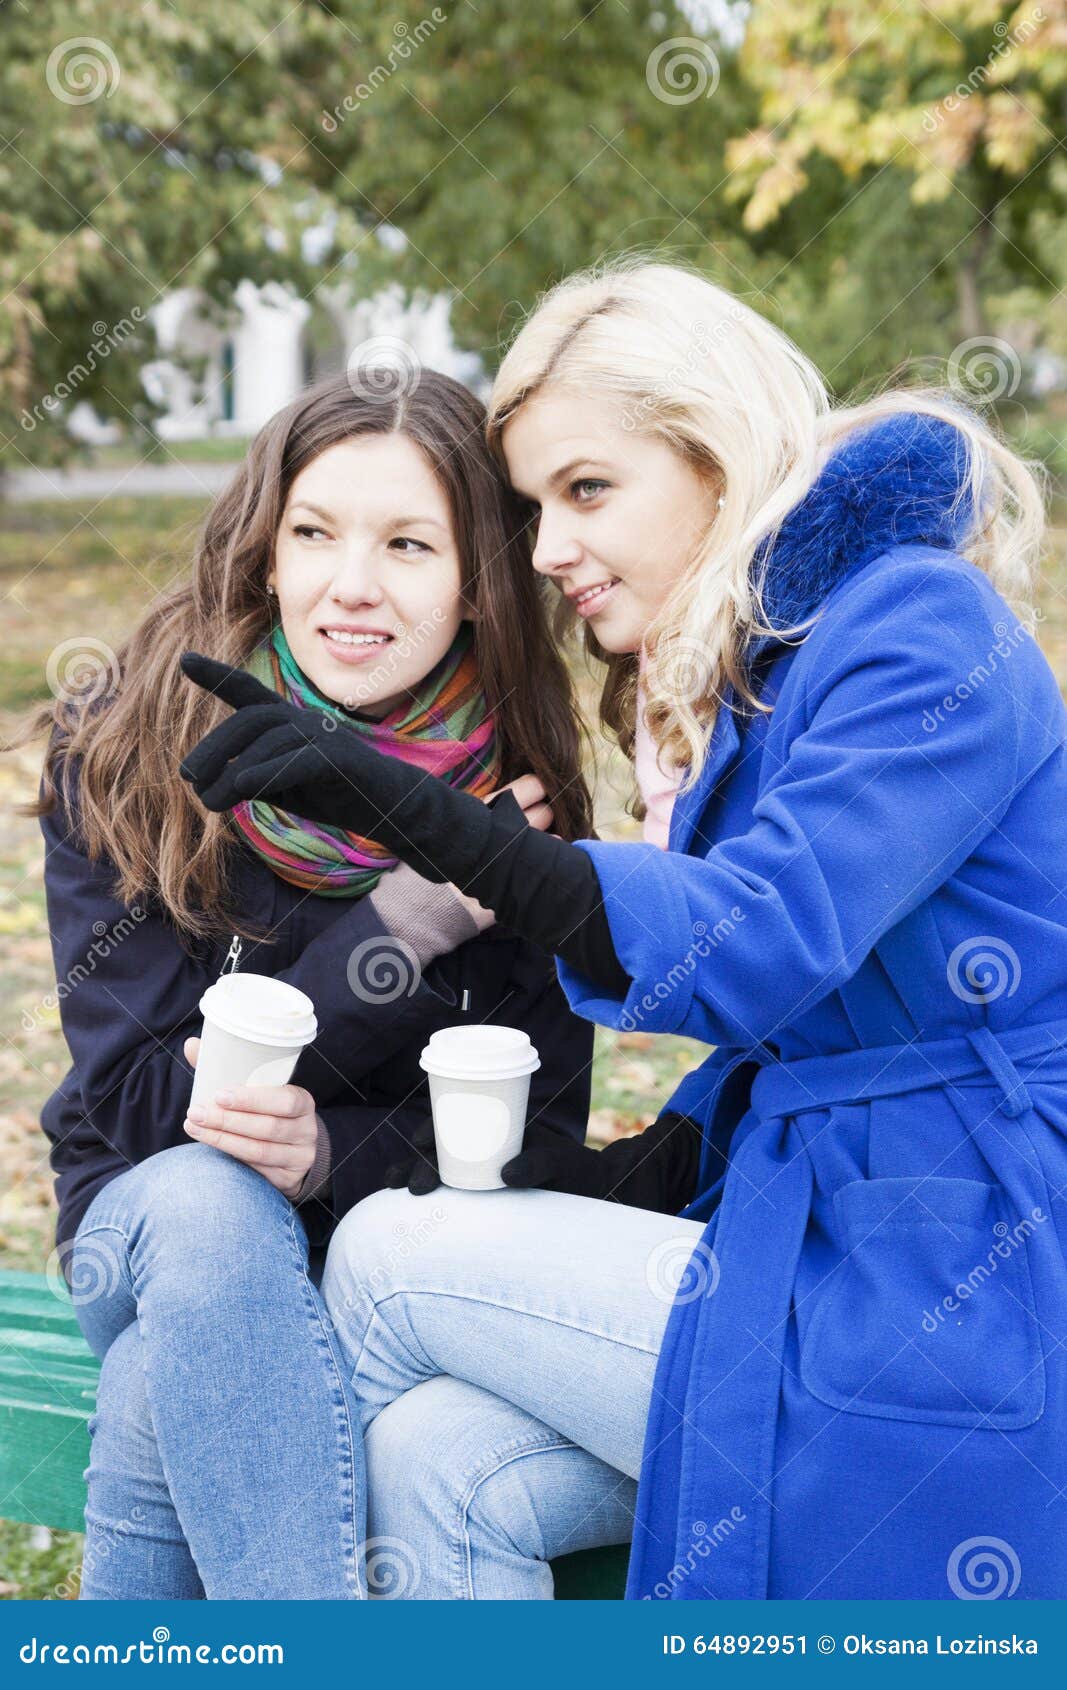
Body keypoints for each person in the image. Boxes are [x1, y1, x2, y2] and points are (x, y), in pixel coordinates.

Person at [180, 260, 1067, 1601]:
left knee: (386, 1256)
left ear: (714, 455)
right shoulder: (780, 660)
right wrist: (617, 1176)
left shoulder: (916, 627)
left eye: (586, 489)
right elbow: (806, 1040)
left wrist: (413, 811)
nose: (544, 549)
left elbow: (757, 938)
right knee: (437, 1457)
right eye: (535, 504)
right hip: (827, 1236)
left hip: (957, 1277)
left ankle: (285, 1644)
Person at [16, 369, 594, 1599]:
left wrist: (327, 1153)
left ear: (477, 581)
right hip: (147, 1231)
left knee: (151, 1389)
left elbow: (535, 1136)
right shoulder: (128, 750)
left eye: (407, 545)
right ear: (266, 552)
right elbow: (140, 1105)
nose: (351, 584)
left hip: (386, 1270)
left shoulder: (512, 804)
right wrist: (403, 924)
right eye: (315, 533)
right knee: (206, 1201)